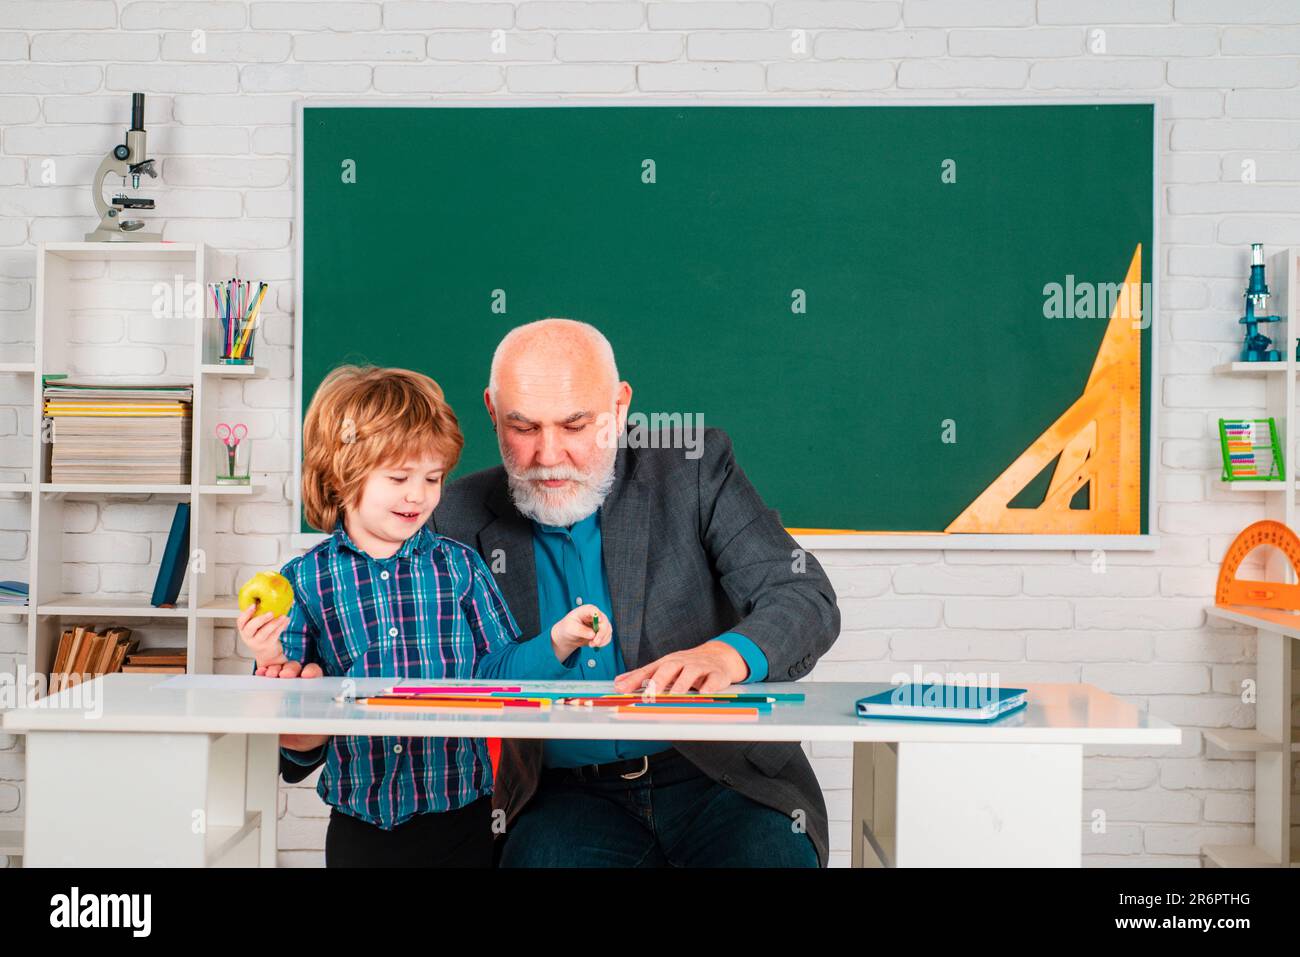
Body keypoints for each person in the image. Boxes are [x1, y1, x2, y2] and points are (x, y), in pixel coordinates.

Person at [237, 364, 610, 867]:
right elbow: (296, 743)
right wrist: (270, 661)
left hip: (464, 820)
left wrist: (559, 640)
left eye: (432, 478)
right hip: (360, 828)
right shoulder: (305, 580)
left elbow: (496, 678)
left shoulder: (461, 567)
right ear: (342, 474)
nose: (419, 495)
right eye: (399, 477)